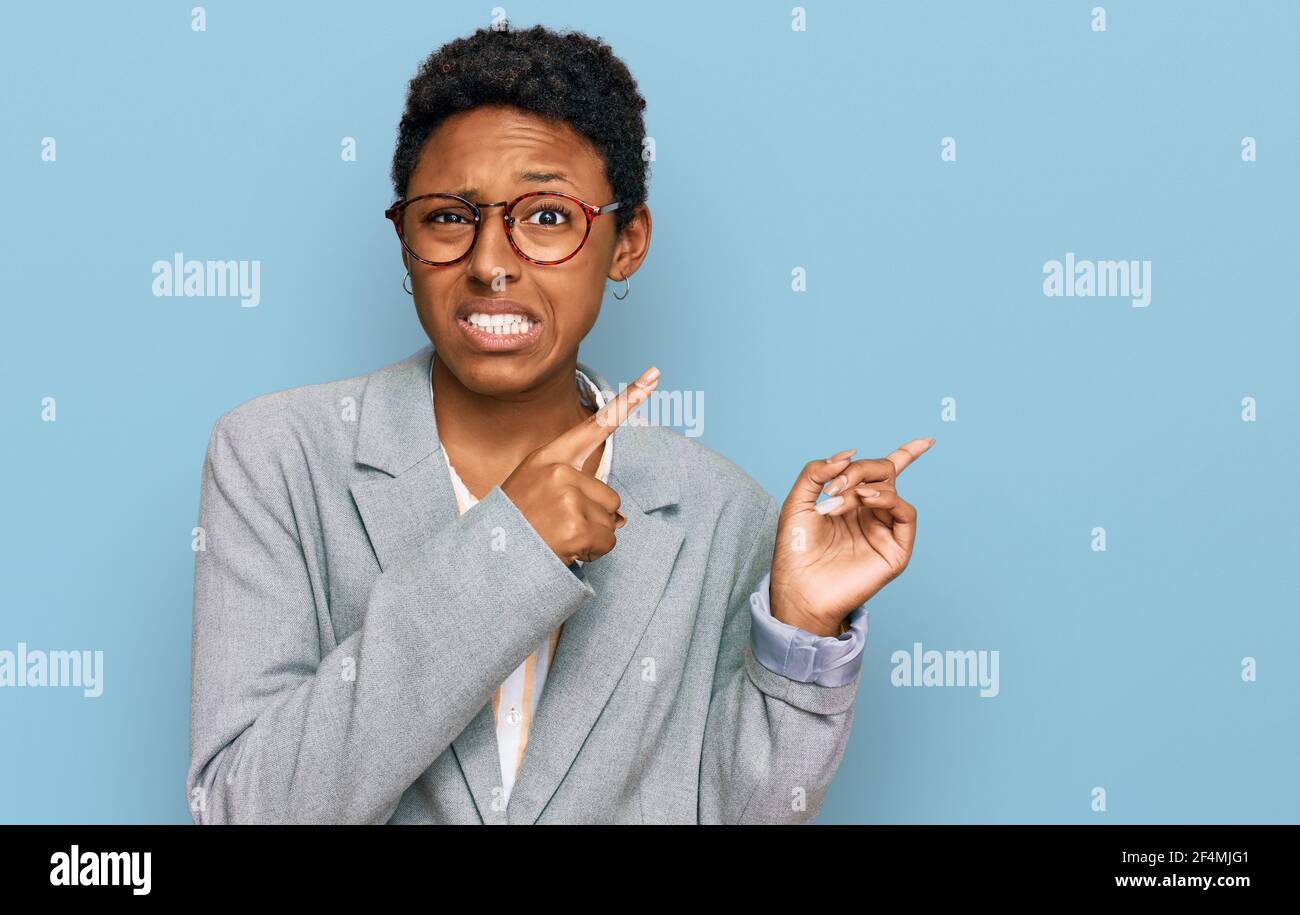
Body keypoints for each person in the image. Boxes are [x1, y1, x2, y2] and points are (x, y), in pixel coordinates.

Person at [185, 23, 933, 825]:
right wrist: (509, 549)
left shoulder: (721, 511)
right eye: (447, 217)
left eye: (546, 216)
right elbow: (245, 809)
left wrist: (803, 636)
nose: (489, 262)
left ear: (626, 242)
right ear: (403, 238)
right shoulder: (274, 458)